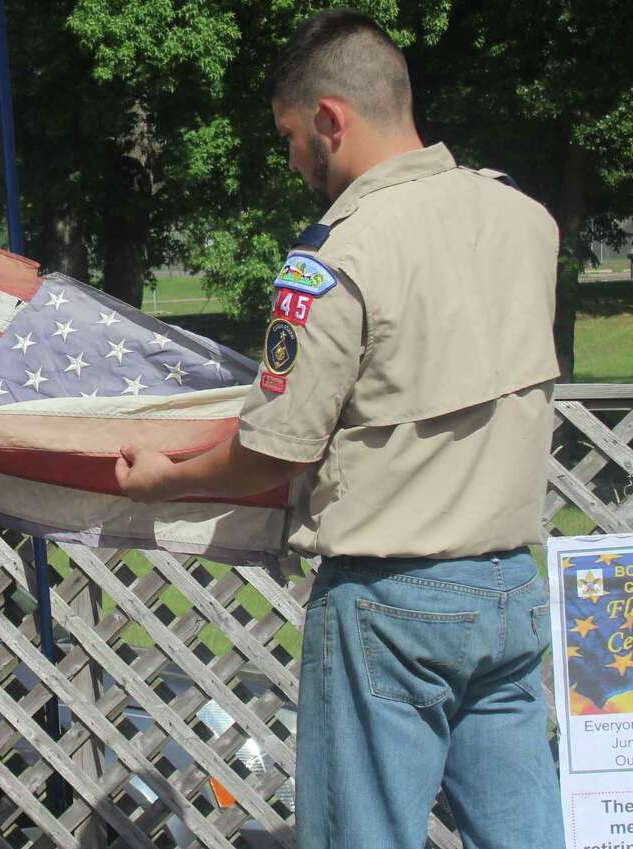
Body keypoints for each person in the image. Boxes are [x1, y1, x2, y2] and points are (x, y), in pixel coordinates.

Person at [115, 10, 564, 849]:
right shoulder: (526, 220)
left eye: (290, 137)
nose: (291, 161)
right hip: (509, 586)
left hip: (393, 602)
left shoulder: (335, 259)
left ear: (331, 118)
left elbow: (272, 450)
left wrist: (163, 478)